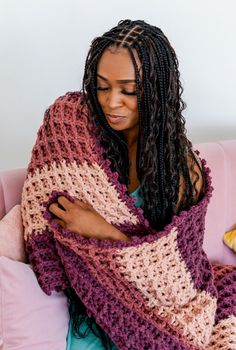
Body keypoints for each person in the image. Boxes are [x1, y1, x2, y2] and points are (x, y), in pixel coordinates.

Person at [44, 19, 204, 350]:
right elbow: (42, 204)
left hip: (152, 313)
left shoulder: (178, 170)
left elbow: (177, 283)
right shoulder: (76, 131)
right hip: (88, 304)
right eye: (102, 87)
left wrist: (101, 230)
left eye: (129, 91)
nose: (111, 102)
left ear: (158, 90)